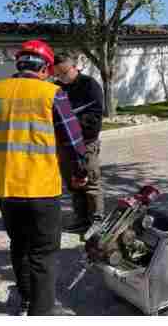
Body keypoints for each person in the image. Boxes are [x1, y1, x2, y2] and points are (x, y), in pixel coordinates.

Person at [0, 39, 88, 315]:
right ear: (45, 68)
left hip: (3, 189)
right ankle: (41, 312)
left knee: (19, 245)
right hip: (40, 188)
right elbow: (73, 141)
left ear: (19, 64)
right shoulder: (51, 93)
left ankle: (26, 299)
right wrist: (80, 174)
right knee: (43, 253)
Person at [53, 51, 105, 235]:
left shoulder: (89, 85)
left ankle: (97, 220)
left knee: (90, 181)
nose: (61, 77)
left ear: (74, 67)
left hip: (86, 143)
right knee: (74, 183)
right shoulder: (57, 87)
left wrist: (73, 126)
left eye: (64, 72)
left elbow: (96, 115)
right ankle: (81, 218)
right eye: (57, 74)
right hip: (64, 146)